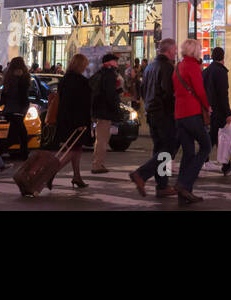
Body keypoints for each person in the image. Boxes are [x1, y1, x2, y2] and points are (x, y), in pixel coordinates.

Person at [130, 38, 179, 198]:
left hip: (151, 112)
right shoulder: (166, 67)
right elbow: (167, 93)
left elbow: (143, 89)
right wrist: (174, 108)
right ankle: (141, 174)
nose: (176, 52)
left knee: (159, 148)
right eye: (175, 49)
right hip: (163, 113)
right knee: (168, 149)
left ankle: (162, 185)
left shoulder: (150, 66)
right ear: (169, 50)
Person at [172, 38, 213, 204]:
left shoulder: (178, 67)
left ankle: (184, 192)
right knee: (206, 146)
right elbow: (200, 90)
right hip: (192, 112)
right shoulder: (193, 66)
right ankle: (184, 183)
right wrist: (207, 106)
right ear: (195, 51)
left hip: (179, 114)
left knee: (188, 152)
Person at [52, 54, 91, 190]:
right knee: (73, 150)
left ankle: (77, 176)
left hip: (65, 118)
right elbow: (81, 103)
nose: (86, 66)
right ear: (81, 65)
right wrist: (82, 122)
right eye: (85, 64)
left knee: (76, 148)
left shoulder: (64, 79)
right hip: (77, 120)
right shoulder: (81, 81)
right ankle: (51, 172)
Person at [89, 52, 122, 175]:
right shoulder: (109, 75)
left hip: (99, 111)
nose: (117, 63)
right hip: (105, 112)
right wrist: (115, 109)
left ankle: (98, 163)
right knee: (102, 139)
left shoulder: (100, 73)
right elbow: (109, 95)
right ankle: (97, 165)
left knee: (101, 138)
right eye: (115, 61)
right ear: (110, 62)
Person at [203, 46, 231, 175]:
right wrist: (228, 113)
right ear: (223, 57)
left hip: (209, 109)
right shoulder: (220, 72)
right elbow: (222, 95)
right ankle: (226, 165)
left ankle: (205, 159)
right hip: (219, 110)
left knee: (214, 136)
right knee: (222, 137)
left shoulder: (206, 71)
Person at [0, 56, 32, 160]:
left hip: (10, 109)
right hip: (18, 110)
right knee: (21, 136)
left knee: (15, 136)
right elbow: (23, 95)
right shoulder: (22, 78)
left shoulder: (8, 77)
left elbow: (4, 95)